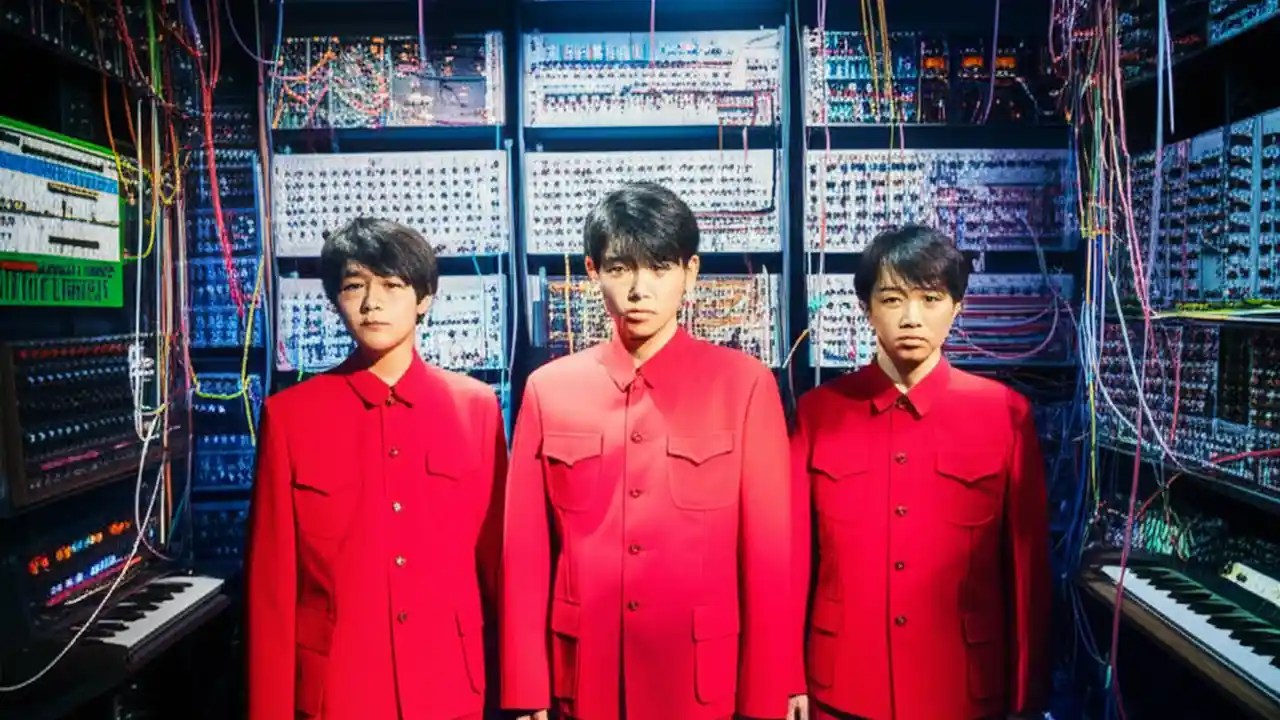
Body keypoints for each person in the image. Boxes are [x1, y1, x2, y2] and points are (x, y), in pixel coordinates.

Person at [500, 182, 804, 720]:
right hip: (585, 676)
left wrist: (767, 691)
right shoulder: (549, 389)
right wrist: (526, 691)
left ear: (690, 272)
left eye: (660, 268)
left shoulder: (745, 384)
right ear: (593, 272)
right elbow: (524, 554)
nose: (639, 289)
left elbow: (768, 555)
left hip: (701, 678)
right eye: (620, 269)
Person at [246, 218, 506, 720]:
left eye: (391, 285)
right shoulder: (291, 416)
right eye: (353, 286)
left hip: (452, 685)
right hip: (338, 692)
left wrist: (519, 694)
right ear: (334, 299)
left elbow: (501, 567)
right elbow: (271, 591)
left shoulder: (476, 408)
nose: (371, 303)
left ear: (425, 298)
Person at [790, 225, 1050, 720]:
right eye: (891, 299)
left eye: (930, 298)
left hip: (963, 688)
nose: (911, 318)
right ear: (866, 308)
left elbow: (1027, 571)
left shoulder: (1005, 415)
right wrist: (786, 677)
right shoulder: (818, 414)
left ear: (958, 307)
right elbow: (792, 559)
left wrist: (1026, 694)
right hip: (843, 684)